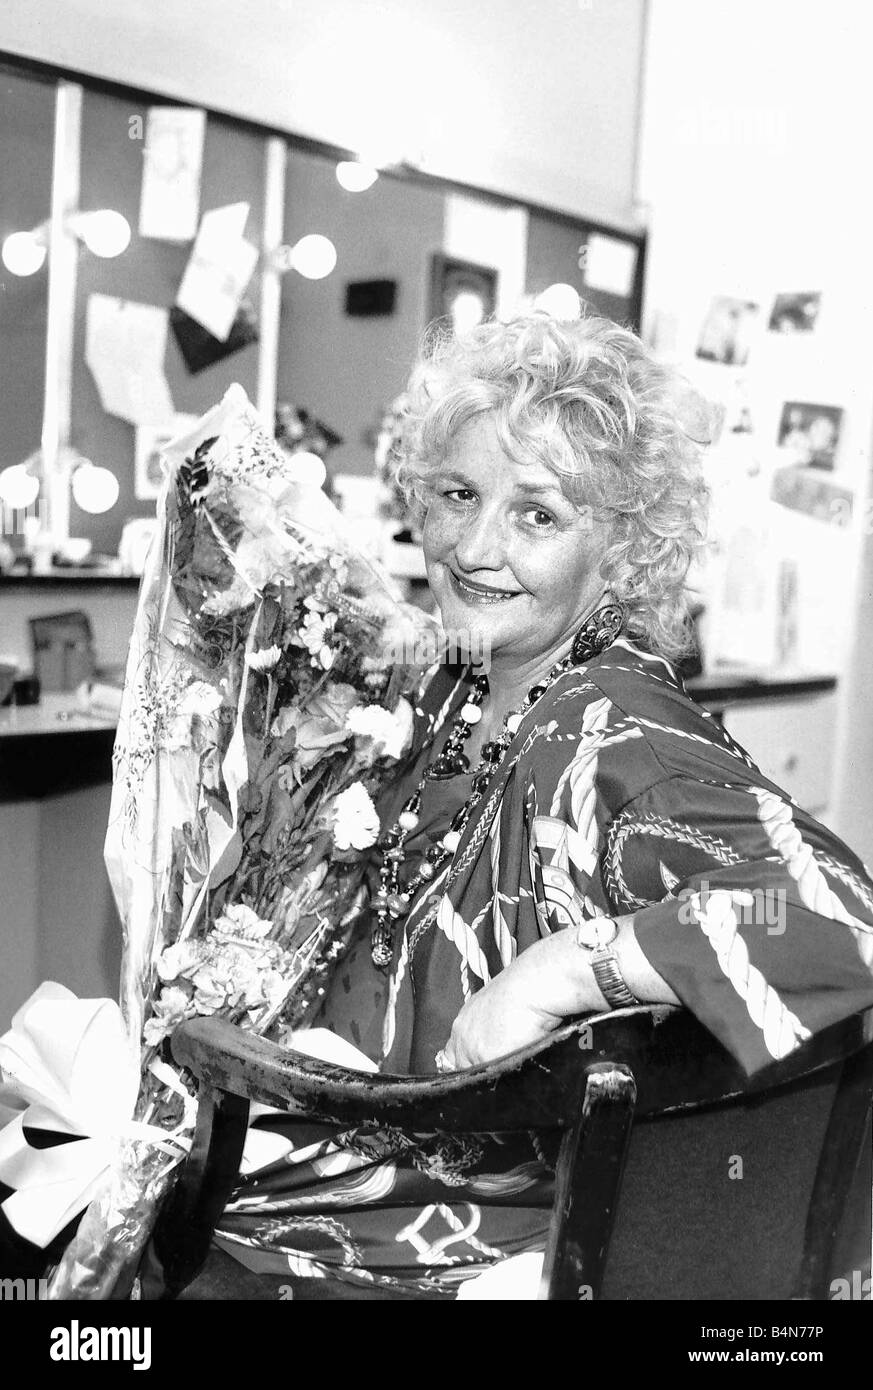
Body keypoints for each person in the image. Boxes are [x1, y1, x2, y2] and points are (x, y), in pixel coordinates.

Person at [202, 313, 873, 1297]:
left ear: (623, 549)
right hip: (356, 1166)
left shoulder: (617, 738)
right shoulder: (458, 679)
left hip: (455, 1245)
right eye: (459, 495)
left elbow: (833, 917)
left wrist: (572, 968)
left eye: (537, 516)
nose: (475, 547)